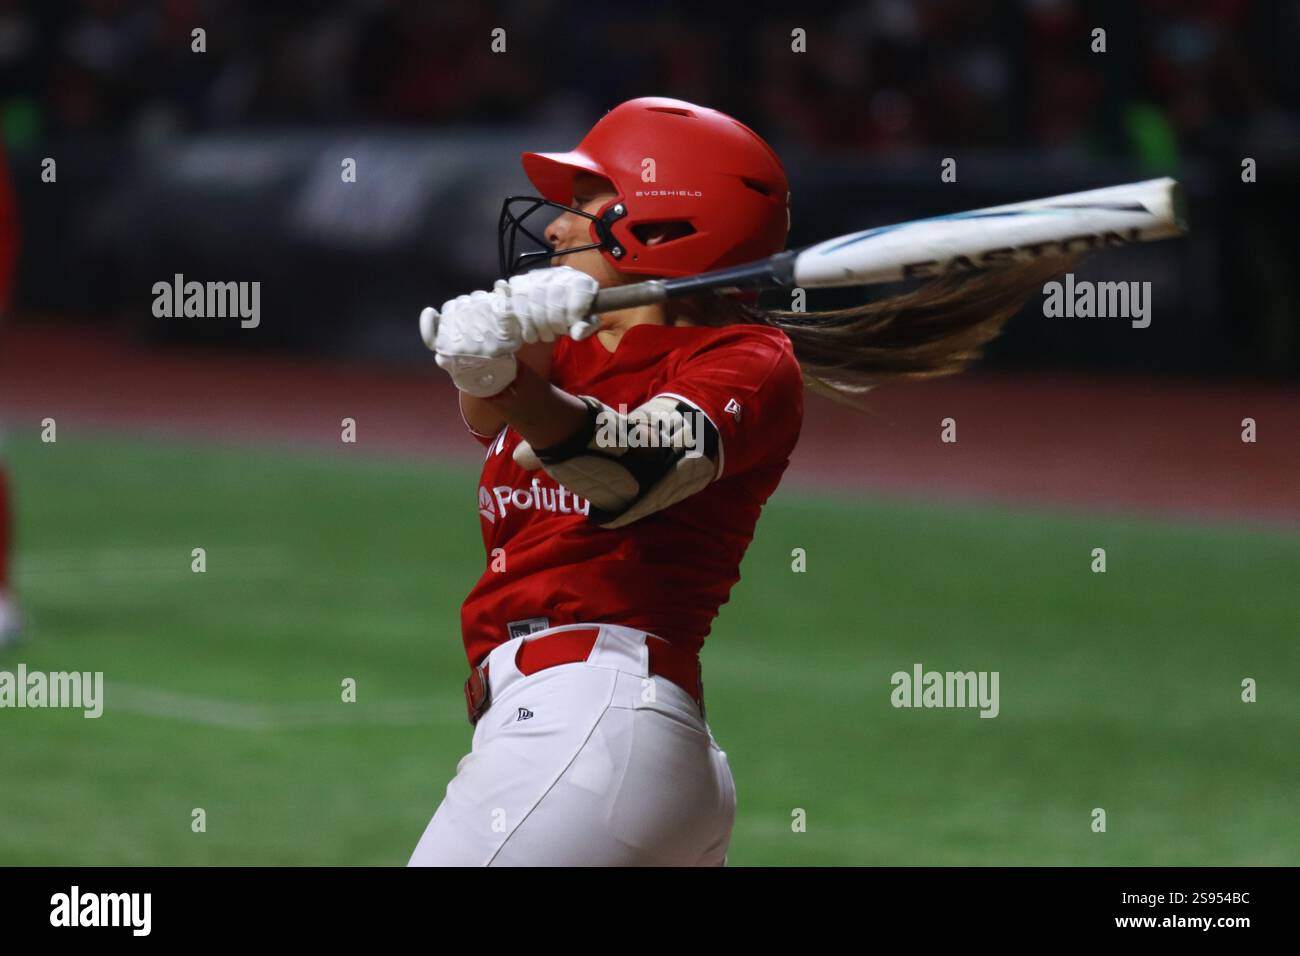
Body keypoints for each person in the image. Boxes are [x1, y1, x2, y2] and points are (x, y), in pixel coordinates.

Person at [409, 96, 1066, 866]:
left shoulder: (747, 363)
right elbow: (486, 412)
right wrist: (488, 356)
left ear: (659, 222)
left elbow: (630, 474)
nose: (555, 226)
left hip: (591, 723)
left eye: (585, 203)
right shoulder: (570, 344)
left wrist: (514, 380)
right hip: (584, 740)